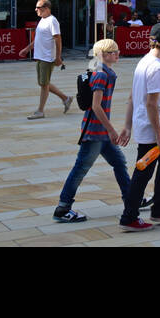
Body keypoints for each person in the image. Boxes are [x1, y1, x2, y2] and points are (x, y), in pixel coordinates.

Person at [52, 39, 132, 224]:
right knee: (81, 168)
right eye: (113, 52)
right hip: (95, 132)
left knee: (119, 162)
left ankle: (131, 198)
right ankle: (63, 208)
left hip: (99, 132)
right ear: (102, 55)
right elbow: (96, 106)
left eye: (117, 51)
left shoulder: (102, 72)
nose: (117, 54)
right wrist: (112, 130)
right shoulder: (101, 75)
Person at [119, 23, 160, 231]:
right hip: (151, 128)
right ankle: (129, 216)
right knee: (143, 173)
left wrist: (128, 126)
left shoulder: (144, 61)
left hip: (146, 125)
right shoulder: (156, 66)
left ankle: (159, 208)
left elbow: (132, 97)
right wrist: (159, 137)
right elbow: (150, 103)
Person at [18, 0, 72, 119]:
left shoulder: (52, 21)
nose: (36, 9)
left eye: (38, 7)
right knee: (43, 83)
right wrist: (27, 49)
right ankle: (66, 98)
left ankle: (40, 111)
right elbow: (37, 39)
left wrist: (58, 57)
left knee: (43, 84)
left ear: (46, 8)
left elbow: (58, 39)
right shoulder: (42, 20)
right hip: (40, 56)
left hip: (48, 57)